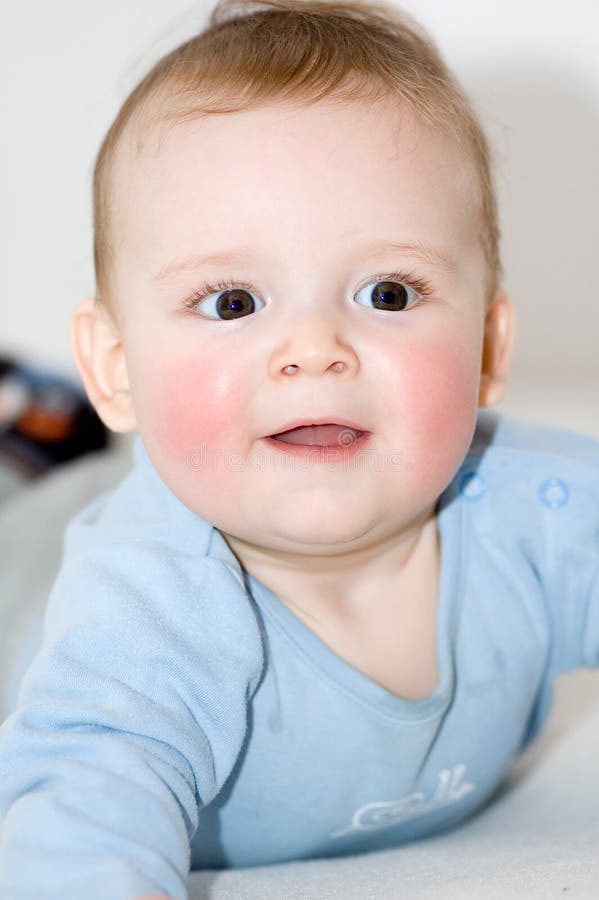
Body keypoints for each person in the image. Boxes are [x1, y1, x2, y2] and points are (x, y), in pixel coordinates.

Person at [0, 1, 597, 898]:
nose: (315, 348)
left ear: (484, 350)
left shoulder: (546, 515)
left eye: (388, 293)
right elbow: (79, 829)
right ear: (118, 369)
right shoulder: (144, 609)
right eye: (233, 303)